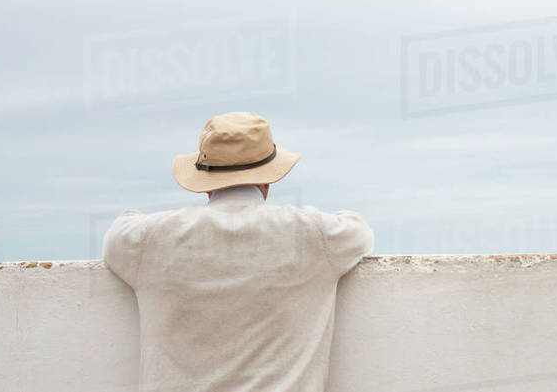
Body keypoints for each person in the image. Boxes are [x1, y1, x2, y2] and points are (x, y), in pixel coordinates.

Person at [103, 111, 373, 392]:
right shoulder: (312, 232)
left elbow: (117, 236)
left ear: (205, 186)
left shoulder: (152, 238)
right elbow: (359, 231)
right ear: (268, 181)